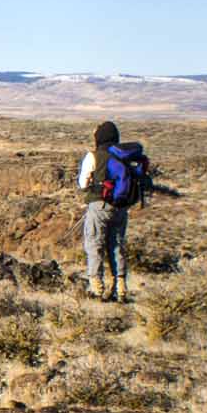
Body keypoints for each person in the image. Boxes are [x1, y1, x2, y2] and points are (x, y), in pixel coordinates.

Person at [77, 121, 135, 301]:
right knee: (117, 245)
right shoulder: (123, 157)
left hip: (99, 206)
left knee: (94, 244)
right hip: (120, 208)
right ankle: (120, 287)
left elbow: (83, 183)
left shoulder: (94, 156)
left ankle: (96, 288)